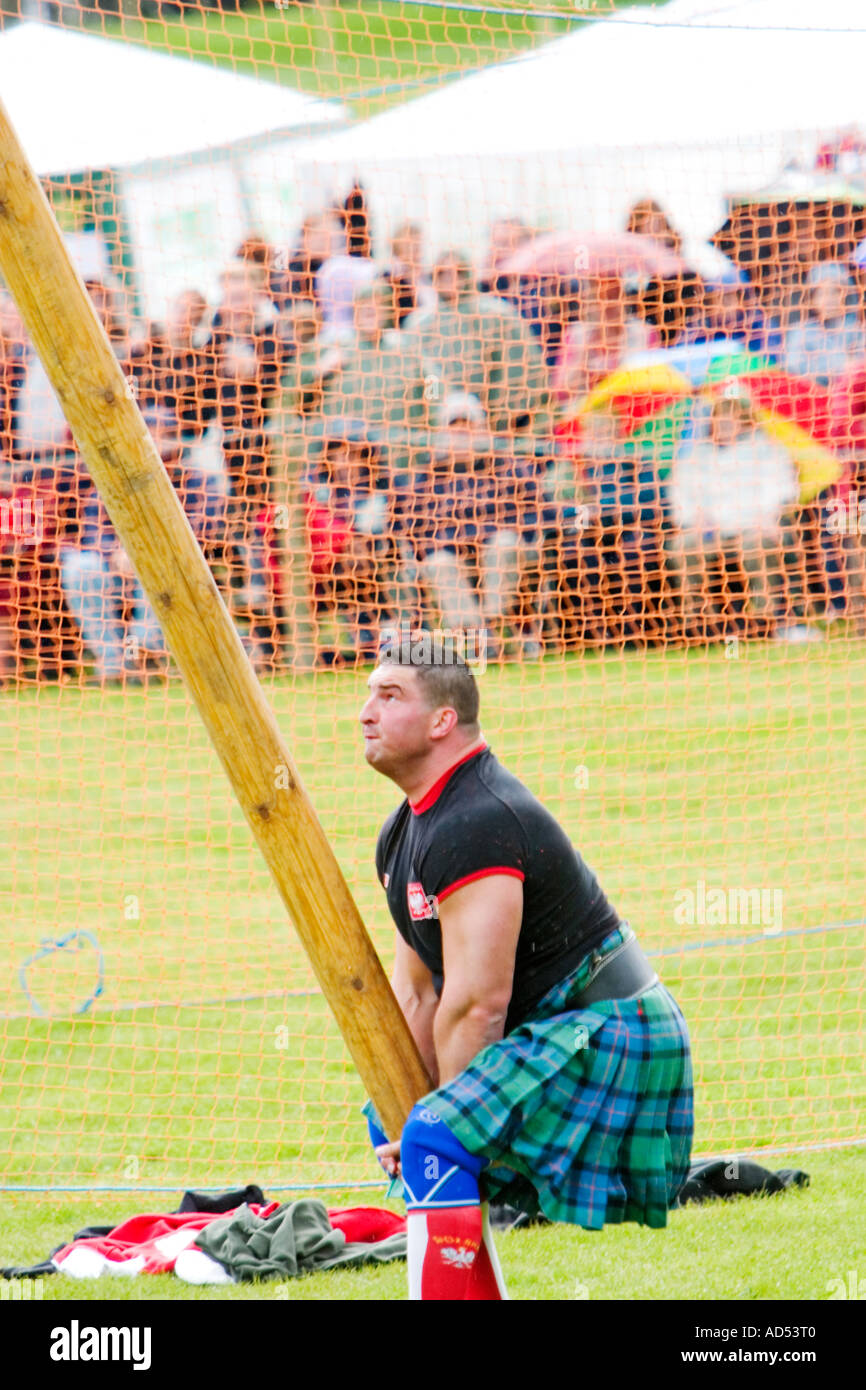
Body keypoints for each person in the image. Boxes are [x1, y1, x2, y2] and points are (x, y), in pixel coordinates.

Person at [360, 646, 694, 1301]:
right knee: (397, 1116)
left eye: (389, 696)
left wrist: (447, 1122)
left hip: (617, 1029)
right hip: (561, 1030)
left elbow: (478, 1005)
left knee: (437, 1132)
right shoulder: (402, 835)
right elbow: (419, 990)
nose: (365, 713)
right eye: (368, 694)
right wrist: (411, 1107)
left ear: (441, 721)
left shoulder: (479, 821)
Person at [667, 384, 804, 639]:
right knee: (683, 546)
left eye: (732, 415)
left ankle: (768, 620)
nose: (726, 422)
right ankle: (699, 622)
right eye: (721, 416)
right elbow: (681, 495)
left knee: (756, 545)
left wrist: (768, 516)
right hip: (711, 529)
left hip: (754, 525)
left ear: (744, 418)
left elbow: (782, 488)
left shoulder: (767, 449)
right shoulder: (695, 455)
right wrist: (693, 517)